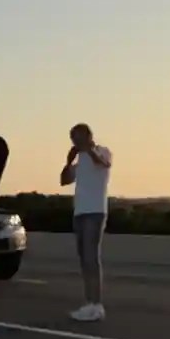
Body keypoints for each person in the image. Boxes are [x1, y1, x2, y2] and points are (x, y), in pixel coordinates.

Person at [60, 123, 112, 321]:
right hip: (80, 212)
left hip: (95, 211)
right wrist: (68, 161)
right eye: (72, 138)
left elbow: (102, 164)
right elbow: (64, 180)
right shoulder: (80, 160)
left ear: (88, 136)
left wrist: (88, 150)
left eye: (78, 137)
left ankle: (96, 305)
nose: (75, 141)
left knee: (91, 257)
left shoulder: (102, 152)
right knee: (84, 259)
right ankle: (89, 302)